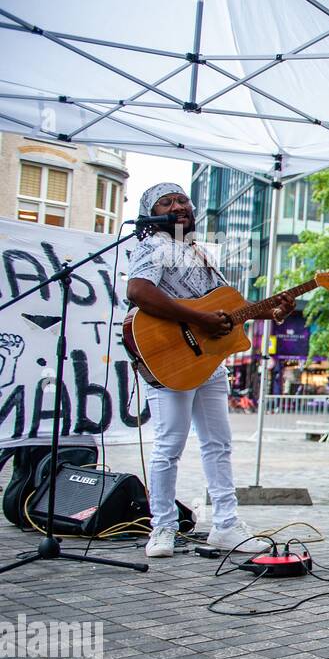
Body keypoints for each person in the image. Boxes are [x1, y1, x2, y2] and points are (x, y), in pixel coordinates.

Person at [126, 183, 293, 559]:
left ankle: (226, 525)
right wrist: (197, 317)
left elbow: (229, 309)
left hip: (208, 364)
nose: (178, 206)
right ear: (151, 213)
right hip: (171, 360)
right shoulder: (153, 247)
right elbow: (138, 291)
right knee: (169, 446)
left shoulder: (199, 254)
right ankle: (163, 527)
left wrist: (273, 309)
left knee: (218, 445)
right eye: (166, 202)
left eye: (182, 200)